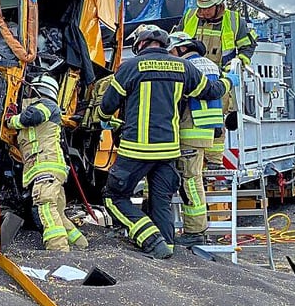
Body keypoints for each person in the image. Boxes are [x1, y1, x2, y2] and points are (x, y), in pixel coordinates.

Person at [99, 24, 234, 259]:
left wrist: (104, 119)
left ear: (140, 44)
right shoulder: (183, 67)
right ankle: (166, 247)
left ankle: (151, 239)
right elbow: (212, 91)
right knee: (160, 201)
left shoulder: (130, 67)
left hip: (136, 150)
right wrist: (229, 81)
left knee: (114, 197)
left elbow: (108, 105)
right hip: (169, 151)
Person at [174, 0, 257, 170]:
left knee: (216, 120)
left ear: (219, 4)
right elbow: (176, 42)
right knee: (186, 117)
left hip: (219, 78)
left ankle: (214, 161)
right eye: (200, 8)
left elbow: (247, 46)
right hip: (189, 78)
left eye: (207, 8)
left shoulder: (234, 20)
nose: (202, 12)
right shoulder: (189, 17)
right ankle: (186, 158)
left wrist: (238, 64)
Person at [6, 74, 88, 252]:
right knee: (57, 212)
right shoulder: (47, 108)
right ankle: (81, 244)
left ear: (37, 90)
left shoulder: (46, 105)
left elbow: (30, 117)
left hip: (45, 166)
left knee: (46, 206)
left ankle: (57, 250)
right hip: (49, 167)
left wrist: (10, 119)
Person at [167, 32, 231, 247]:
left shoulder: (185, 67)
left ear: (182, 48)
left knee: (190, 181)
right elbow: (222, 100)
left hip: (188, 132)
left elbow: (176, 99)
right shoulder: (211, 65)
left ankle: (195, 230)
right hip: (206, 132)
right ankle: (195, 228)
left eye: (171, 51)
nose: (170, 56)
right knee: (192, 179)